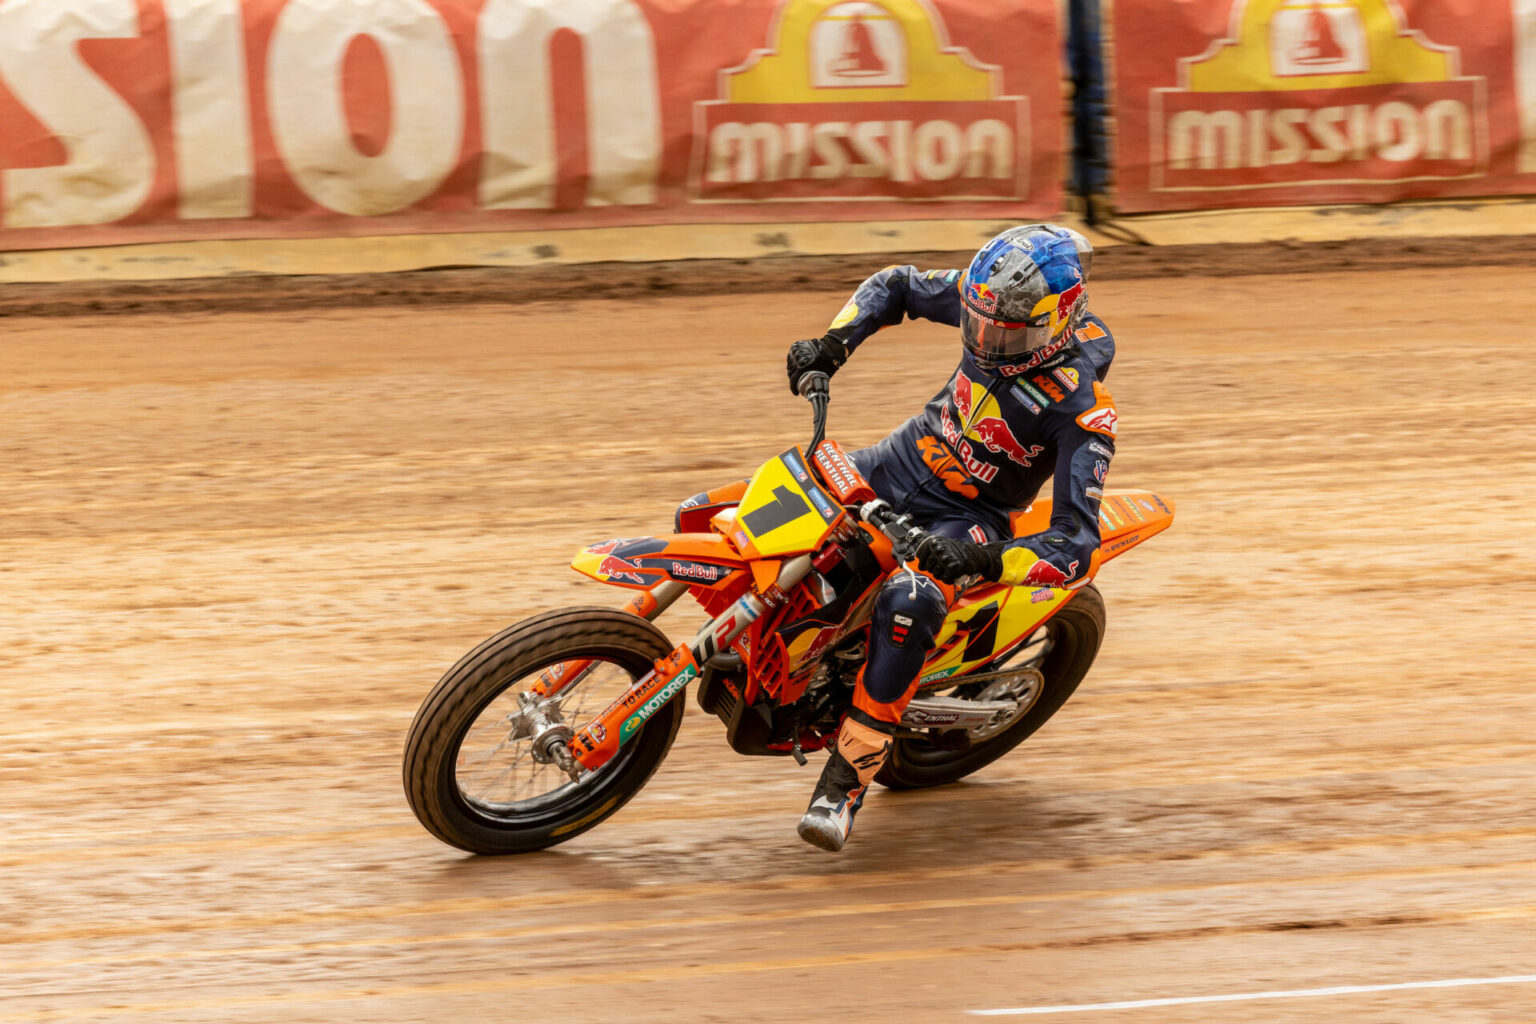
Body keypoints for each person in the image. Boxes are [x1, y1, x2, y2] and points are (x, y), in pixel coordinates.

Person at [785, 224, 1119, 851]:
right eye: (977, 324)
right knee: (717, 508)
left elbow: (1076, 545)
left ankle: (845, 781)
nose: (986, 340)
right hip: (893, 460)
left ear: (1059, 321)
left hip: (967, 520)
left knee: (911, 601)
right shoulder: (992, 299)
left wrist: (976, 556)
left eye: (1006, 334)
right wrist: (831, 346)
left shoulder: (1084, 411)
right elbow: (895, 285)